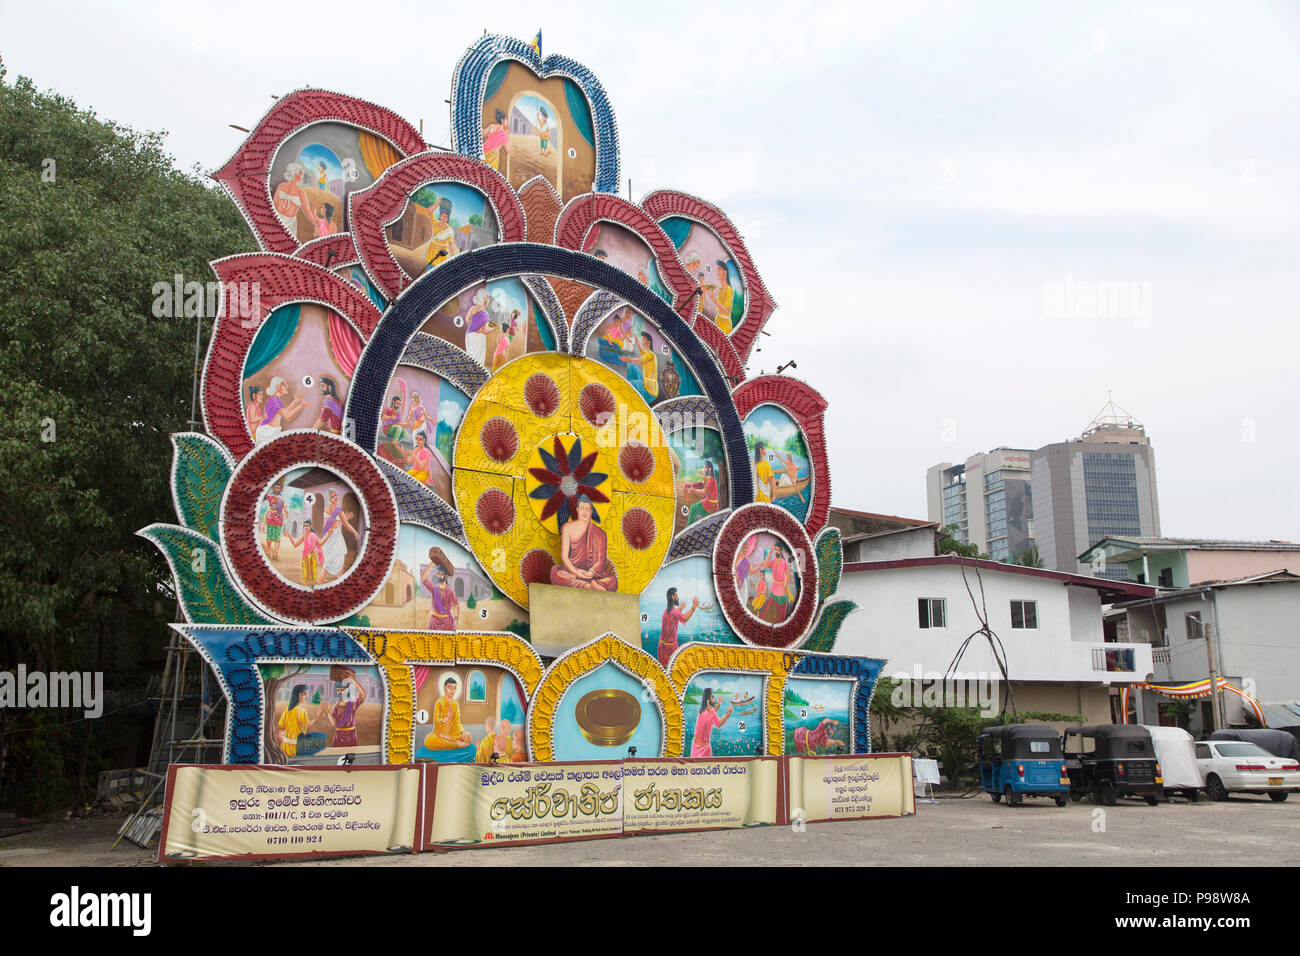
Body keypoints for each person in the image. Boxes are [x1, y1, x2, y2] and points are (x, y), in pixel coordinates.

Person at [549, 496, 618, 590]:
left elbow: (601, 562)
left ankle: (589, 584)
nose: (584, 512)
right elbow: (564, 557)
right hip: (573, 571)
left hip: (592, 574)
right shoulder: (567, 528)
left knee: (612, 580)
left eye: (587, 509)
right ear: (577, 510)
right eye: (582, 508)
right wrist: (576, 572)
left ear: (591, 512)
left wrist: (590, 573)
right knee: (555, 573)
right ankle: (588, 586)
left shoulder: (600, 534)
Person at [317, 490, 360, 582]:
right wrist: (355, 532)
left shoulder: (338, 510)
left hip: (333, 536)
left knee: (338, 562)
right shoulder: (332, 510)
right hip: (331, 537)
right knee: (328, 563)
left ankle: (337, 581)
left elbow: (341, 523)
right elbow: (343, 524)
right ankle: (319, 582)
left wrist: (355, 532)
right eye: (332, 496)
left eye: (336, 495)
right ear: (329, 499)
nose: (335, 498)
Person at [424, 676, 473, 750]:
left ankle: (451, 740)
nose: (452, 691)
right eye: (450, 688)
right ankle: (456, 744)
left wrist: (463, 732)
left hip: (452, 734)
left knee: (468, 736)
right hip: (439, 734)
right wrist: (446, 719)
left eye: (454, 688)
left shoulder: (455, 703)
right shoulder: (439, 702)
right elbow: (436, 720)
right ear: (445, 688)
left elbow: (457, 722)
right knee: (428, 740)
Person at [272, 163, 317, 242]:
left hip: (290, 223)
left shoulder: (301, 192)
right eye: (300, 173)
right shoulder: (281, 186)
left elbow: (307, 211)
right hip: (277, 218)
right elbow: (274, 204)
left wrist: (315, 225)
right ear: (295, 173)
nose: (302, 175)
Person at [256, 376, 306, 446]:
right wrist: (301, 406)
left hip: (270, 432)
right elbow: (287, 416)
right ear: (277, 387)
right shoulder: (275, 401)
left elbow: (284, 411)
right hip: (267, 434)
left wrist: (295, 401)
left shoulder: (274, 399)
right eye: (283, 385)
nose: (286, 386)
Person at [658, 587, 700, 668]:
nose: (678, 597)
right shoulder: (674, 612)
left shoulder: (667, 611)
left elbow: (673, 617)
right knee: (671, 668)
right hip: (669, 648)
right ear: (672, 597)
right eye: (676, 596)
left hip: (663, 646)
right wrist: (693, 607)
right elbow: (684, 618)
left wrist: (680, 609)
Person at [325, 668, 366, 749]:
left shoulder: (352, 702)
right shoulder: (336, 705)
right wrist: (327, 713)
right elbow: (334, 724)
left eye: (342, 690)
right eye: (338, 690)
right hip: (338, 735)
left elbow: (363, 695)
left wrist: (353, 681)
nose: (340, 692)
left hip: (350, 735)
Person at [422, 546, 460, 631]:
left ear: (446, 576)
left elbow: (456, 604)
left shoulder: (450, 591)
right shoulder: (434, 588)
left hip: (447, 622)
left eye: (441, 574)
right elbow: (424, 577)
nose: (439, 576)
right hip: (434, 621)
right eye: (438, 573)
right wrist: (433, 562)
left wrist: (456, 620)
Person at [619, 330, 659, 405]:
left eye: (643, 339)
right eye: (642, 339)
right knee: (631, 366)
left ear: (649, 342)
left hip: (650, 391)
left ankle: (631, 389)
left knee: (628, 384)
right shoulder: (647, 353)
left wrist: (627, 359)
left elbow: (640, 361)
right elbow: (641, 351)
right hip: (645, 381)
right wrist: (637, 340)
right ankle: (633, 391)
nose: (642, 341)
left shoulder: (651, 355)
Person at [691, 688, 733, 758]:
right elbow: (719, 724)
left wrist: (719, 703)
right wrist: (728, 713)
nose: (714, 698)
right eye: (712, 696)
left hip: (695, 745)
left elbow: (713, 711)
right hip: (704, 748)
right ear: (708, 700)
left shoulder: (702, 710)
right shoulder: (711, 713)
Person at [278, 684, 315, 758]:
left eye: (306, 694)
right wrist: (316, 718)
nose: (306, 696)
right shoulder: (302, 711)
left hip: (284, 748)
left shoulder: (286, 711)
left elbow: (279, 735)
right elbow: (307, 730)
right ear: (296, 696)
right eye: (303, 694)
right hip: (296, 750)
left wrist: (285, 744)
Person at [285, 519, 324, 586]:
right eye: (305, 526)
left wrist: (328, 535)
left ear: (311, 526)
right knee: (305, 576)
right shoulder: (304, 535)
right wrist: (289, 536)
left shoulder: (314, 535)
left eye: (307, 526)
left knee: (314, 576)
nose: (306, 527)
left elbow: (320, 544)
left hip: (313, 557)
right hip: (305, 557)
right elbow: (295, 544)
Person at [425, 197, 458, 269]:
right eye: (442, 216)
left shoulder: (449, 230)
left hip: (441, 254)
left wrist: (452, 256)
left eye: (446, 217)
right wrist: (437, 204)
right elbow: (429, 212)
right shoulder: (435, 223)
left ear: (448, 218)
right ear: (440, 216)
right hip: (431, 251)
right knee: (428, 271)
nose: (444, 218)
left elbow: (451, 244)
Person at [463, 287, 492, 366]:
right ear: (484, 299)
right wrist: (494, 329)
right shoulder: (486, 315)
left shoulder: (472, 308)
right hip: (479, 338)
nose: (488, 300)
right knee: (478, 361)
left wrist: (472, 327)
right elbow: (485, 331)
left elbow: (467, 320)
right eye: (487, 298)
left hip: (469, 336)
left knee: (470, 357)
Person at [707, 260, 736, 334]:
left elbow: (726, 312)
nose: (717, 272)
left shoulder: (728, 290)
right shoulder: (720, 288)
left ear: (725, 271)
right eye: (717, 270)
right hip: (718, 320)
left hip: (725, 324)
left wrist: (714, 300)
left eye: (719, 269)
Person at [263, 479, 286, 559]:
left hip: (278, 520)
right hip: (270, 518)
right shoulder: (270, 496)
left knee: (277, 538)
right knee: (269, 536)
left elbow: (284, 507)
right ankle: (268, 552)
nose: (276, 489)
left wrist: (287, 512)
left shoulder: (281, 498)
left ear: (280, 489)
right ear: (273, 488)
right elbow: (264, 493)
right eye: (275, 488)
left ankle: (276, 553)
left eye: (278, 488)